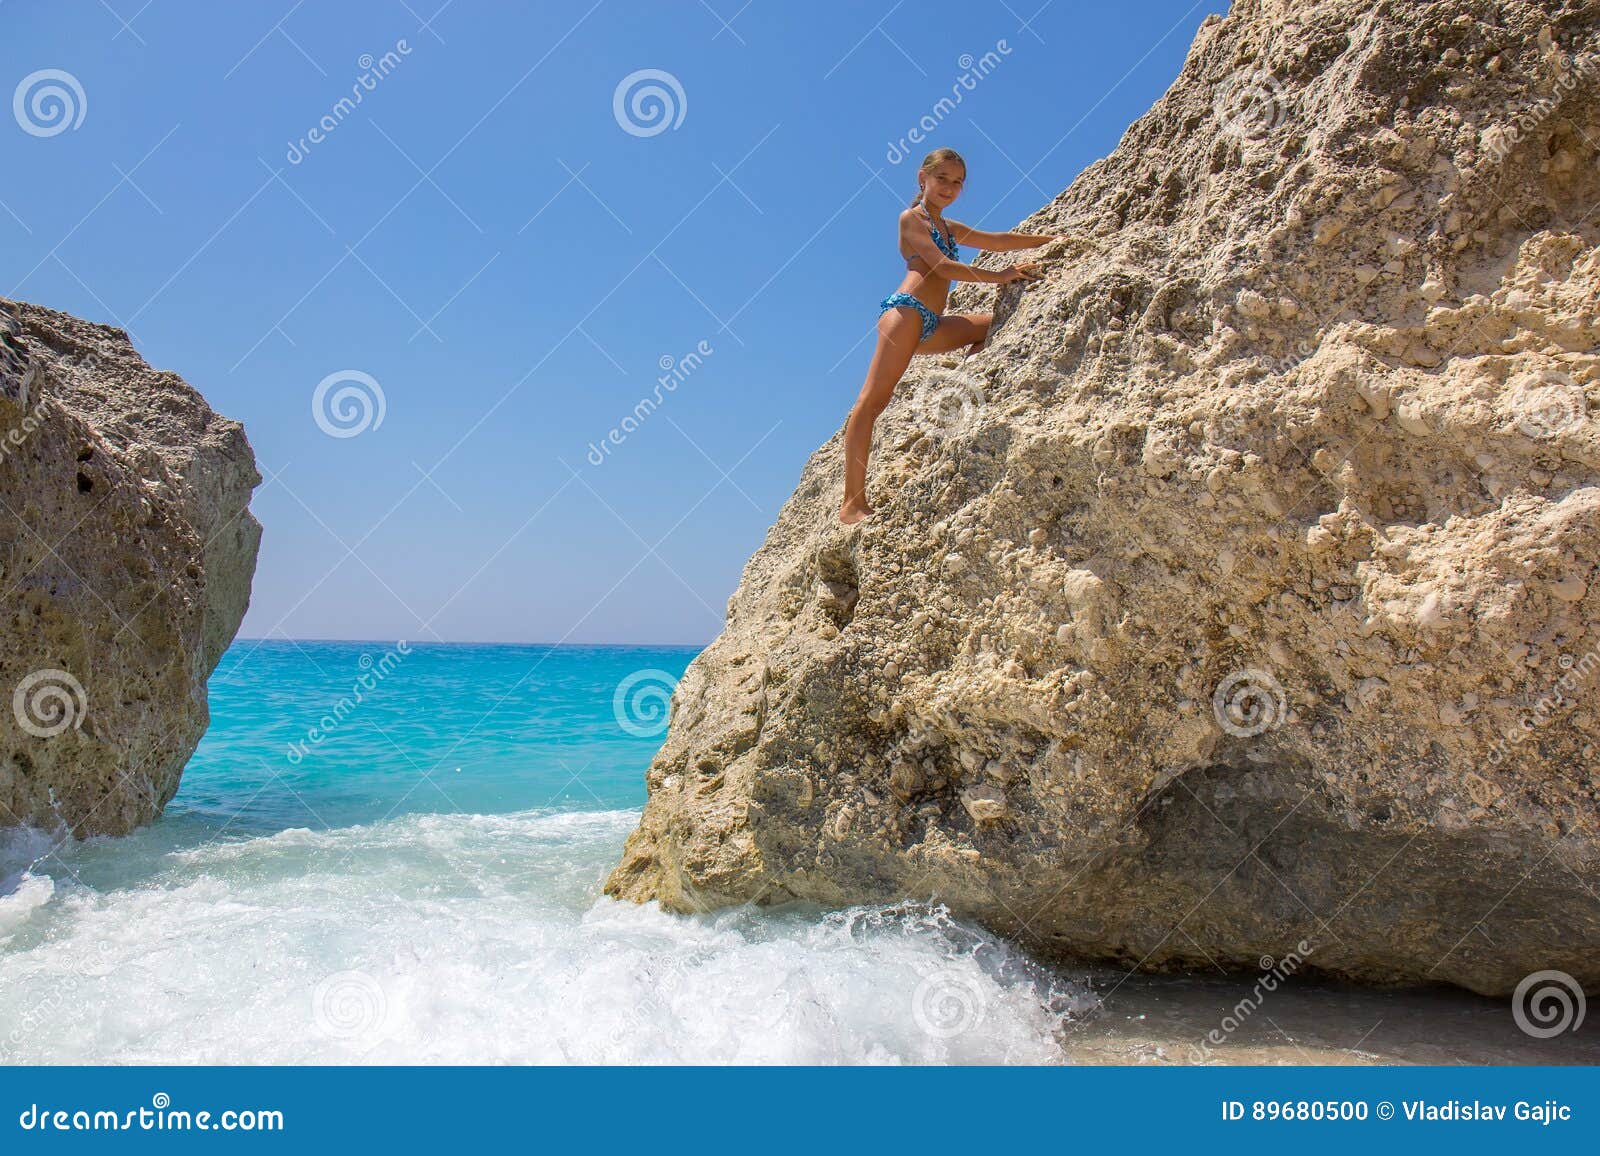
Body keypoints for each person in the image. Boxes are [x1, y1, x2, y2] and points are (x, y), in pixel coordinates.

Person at [839, 147, 1065, 524]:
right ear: (922, 178)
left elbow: (999, 240)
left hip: (934, 323)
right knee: (871, 402)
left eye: (957, 182)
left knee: (996, 325)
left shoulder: (949, 227)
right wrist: (1001, 276)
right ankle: (852, 503)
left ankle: (962, 388)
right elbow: (942, 267)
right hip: (905, 314)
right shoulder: (911, 219)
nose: (950, 187)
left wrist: (1051, 239)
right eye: (942, 178)